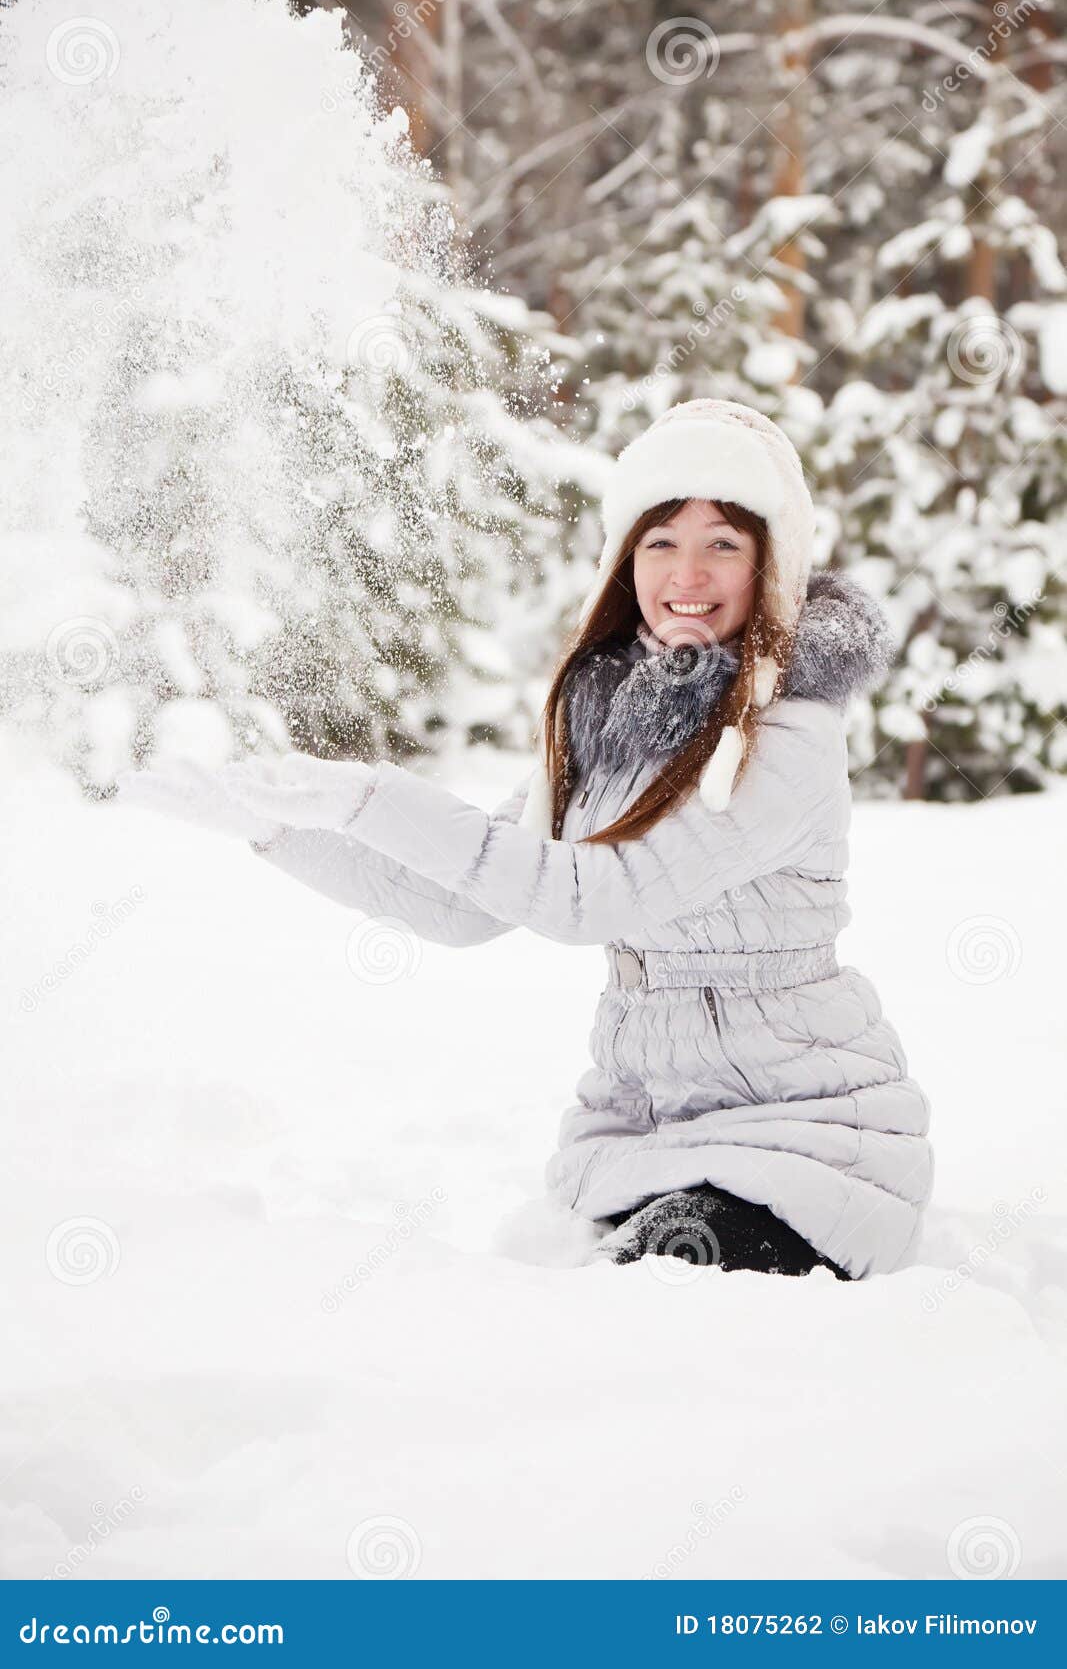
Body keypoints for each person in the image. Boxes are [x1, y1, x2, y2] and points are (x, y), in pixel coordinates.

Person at [117, 398, 934, 1281]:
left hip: (806, 1144)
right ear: (625, 558)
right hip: (644, 1138)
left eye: (723, 543)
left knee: (633, 1324)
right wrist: (279, 830)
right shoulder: (612, 724)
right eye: (659, 540)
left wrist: (370, 797)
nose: (685, 572)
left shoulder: (786, 742)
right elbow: (457, 906)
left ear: (771, 563)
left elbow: (587, 899)